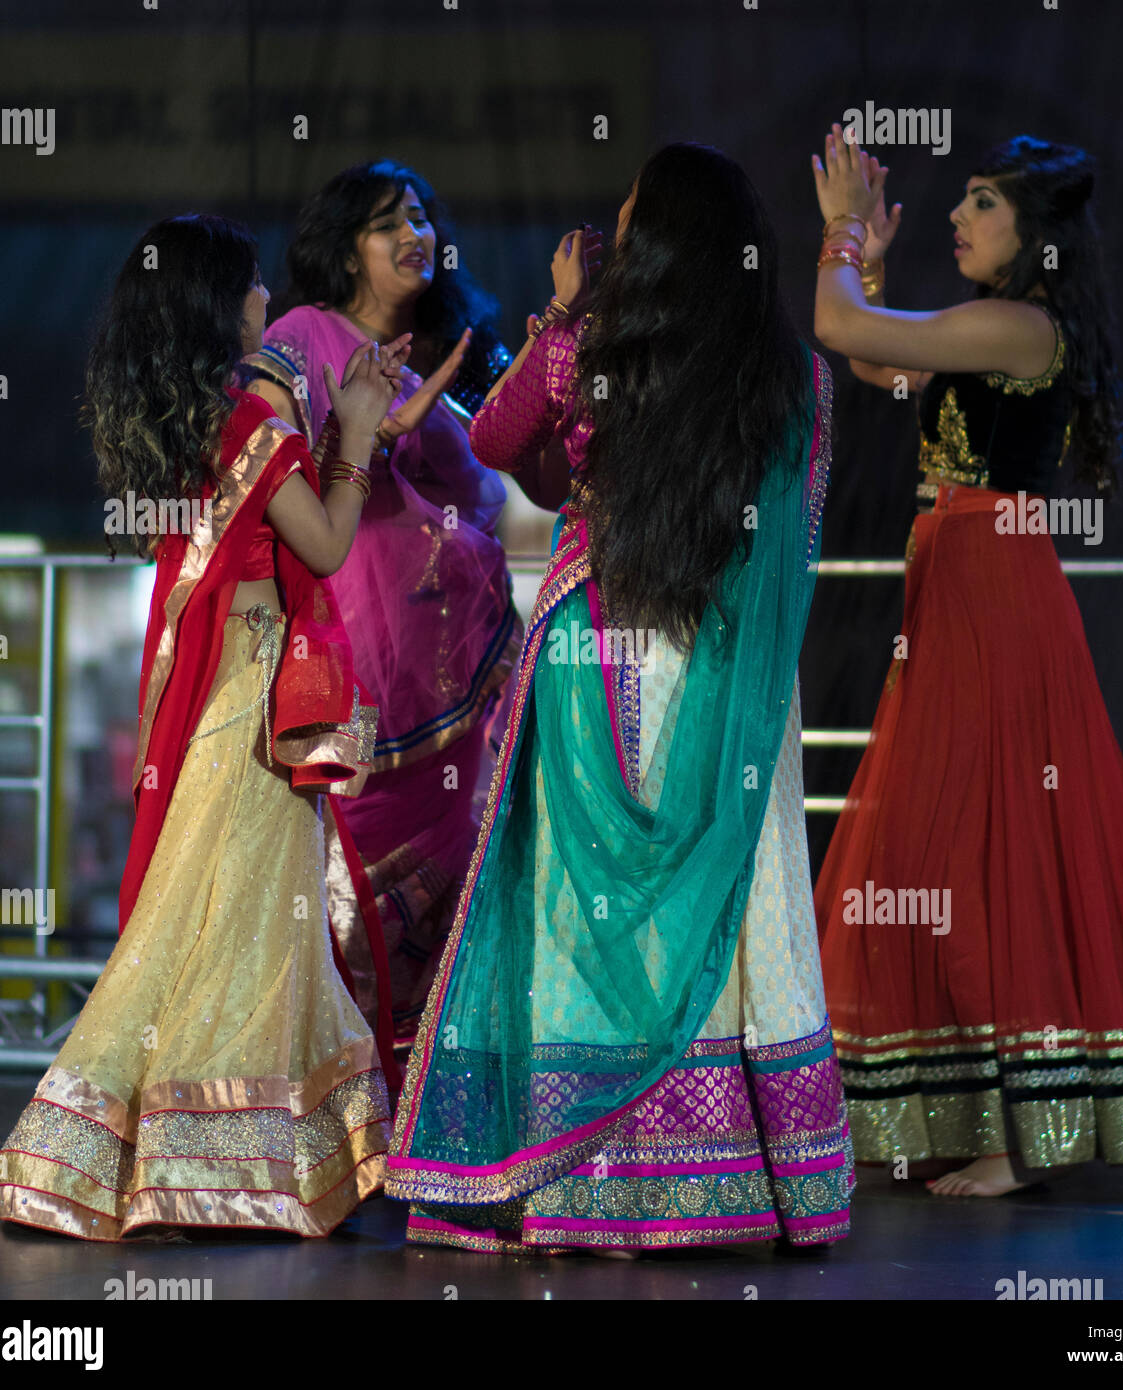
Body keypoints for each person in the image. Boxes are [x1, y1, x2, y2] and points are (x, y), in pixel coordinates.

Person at [383, 143, 855, 1253]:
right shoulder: (797, 383)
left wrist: (560, 310)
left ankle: (574, 1173)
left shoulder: (590, 350)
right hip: (733, 671)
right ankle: (739, 1174)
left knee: (576, 908)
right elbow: (801, 537)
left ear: (646, 251)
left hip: (599, 646)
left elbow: (493, 443)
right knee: (737, 900)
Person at [809, 128, 1123, 1196]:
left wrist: (841, 231)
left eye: (981, 203)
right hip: (960, 580)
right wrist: (868, 270)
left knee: (992, 840)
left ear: (1033, 236)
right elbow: (870, 353)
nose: (958, 216)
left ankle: (1023, 1130)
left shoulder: (1017, 324)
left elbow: (832, 325)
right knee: (940, 842)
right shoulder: (993, 326)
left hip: (990, 588)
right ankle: (964, 1104)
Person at [0, 213, 405, 1239]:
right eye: (255, 284)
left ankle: (148, 1151)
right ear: (221, 303)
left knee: (203, 925)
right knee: (249, 931)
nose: (266, 300)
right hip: (260, 708)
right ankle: (200, 1159)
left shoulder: (184, 426)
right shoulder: (253, 428)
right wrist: (352, 437)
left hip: (215, 708)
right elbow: (326, 542)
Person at [246, 160, 534, 1055]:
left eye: (420, 217)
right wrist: (372, 429)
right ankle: (339, 1084)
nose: (413, 234)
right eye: (385, 223)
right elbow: (262, 454)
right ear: (345, 250)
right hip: (351, 664)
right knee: (340, 886)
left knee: (461, 867)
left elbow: (502, 486)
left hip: (460, 662)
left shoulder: (467, 348)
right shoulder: (304, 335)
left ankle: (437, 1089)